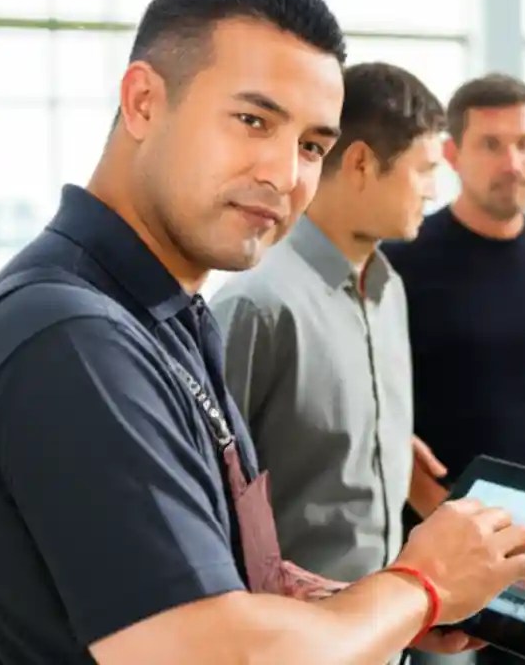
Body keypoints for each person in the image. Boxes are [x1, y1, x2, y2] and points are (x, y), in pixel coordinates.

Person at [0, 0, 525, 665]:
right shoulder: (74, 338)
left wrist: (377, 610)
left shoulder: (165, 315)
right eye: (251, 120)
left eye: (311, 146)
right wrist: (421, 583)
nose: (284, 174)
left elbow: (221, 580)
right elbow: (212, 654)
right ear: (143, 101)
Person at [209, 61, 451, 665]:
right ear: (364, 163)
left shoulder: (387, 289)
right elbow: (207, 502)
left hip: (382, 633)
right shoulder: (256, 304)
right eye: (425, 170)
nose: (433, 191)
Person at [381, 74, 525, 665]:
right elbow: (374, 398)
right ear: (452, 154)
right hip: (438, 542)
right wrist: (430, 505)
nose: (512, 161)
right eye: (491, 144)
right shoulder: (400, 260)